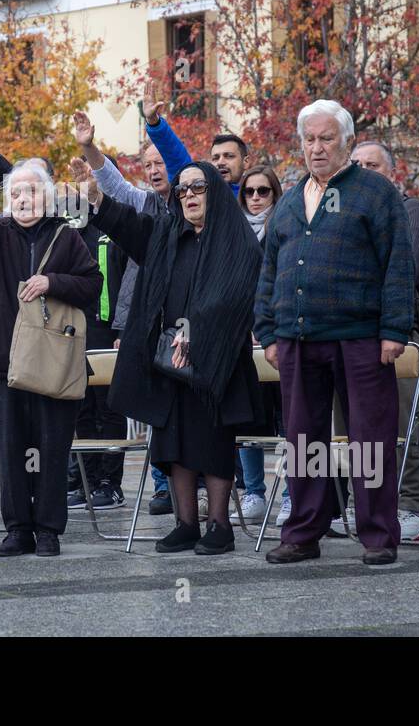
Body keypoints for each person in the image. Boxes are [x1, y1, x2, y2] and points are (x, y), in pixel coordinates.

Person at [79, 155, 266, 555]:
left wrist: (196, 332)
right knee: (172, 442)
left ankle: (219, 524)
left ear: (213, 192)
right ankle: (185, 524)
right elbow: (132, 229)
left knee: (213, 441)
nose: (189, 195)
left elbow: (234, 296)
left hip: (217, 361)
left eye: (198, 187)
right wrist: (99, 200)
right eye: (182, 189)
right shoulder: (168, 232)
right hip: (169, 360)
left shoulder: (236, 239)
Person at [255, 101, 414, 566]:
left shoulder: (375, 192)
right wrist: (267, 332)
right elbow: (269, 270)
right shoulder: (287, 200)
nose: (317, 147)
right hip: (298, 339)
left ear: (346, 141)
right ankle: (303, 532)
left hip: (360, 337)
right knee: (303, 441)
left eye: (326, 138)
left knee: (370, 440)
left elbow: (398, 263)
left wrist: (394, 329)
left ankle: (379, 536)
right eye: (310, 139)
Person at [0, 160, 102, 557]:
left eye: (31, 191)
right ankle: (17, 528)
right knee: (10, 447)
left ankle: (48, 530)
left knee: (52, 446)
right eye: (14, 193)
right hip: (2, 361)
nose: (23, 199)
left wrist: (53, 283)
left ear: (46, 196)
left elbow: (92, 285)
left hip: (54, 361)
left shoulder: (67, 236)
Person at [72, 113, 175, 515]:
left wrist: (157, 127)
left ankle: (206, 491)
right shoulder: (146, 204)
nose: (152, 171)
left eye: (159, 163)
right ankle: (164, 488)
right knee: (149, 410)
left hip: (184, 324)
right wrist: (89, 148)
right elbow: (113, 186)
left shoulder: (198, 202)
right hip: (142, 322)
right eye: (147, 165)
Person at [353, 140, 419, 543]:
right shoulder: (346, 212)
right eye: (357, 164)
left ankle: (414, 508)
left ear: (391, 172)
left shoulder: (411, 211)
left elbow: (403, 270)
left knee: (407, 426)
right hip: (353, 337)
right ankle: (363, 505)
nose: (363, 170)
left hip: (401, 336)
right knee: (358, 429)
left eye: (372, 164)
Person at [238, 164, 285, 526]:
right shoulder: (233, 231)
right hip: (242, 340)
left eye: (263, 191)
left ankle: (292, 494)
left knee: (288, 421)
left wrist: (267, 327)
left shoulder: (286, 225)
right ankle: (253, 491)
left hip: (278, 337)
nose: (255, 198)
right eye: (249, 192)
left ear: (275, 193)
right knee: (249, 418)